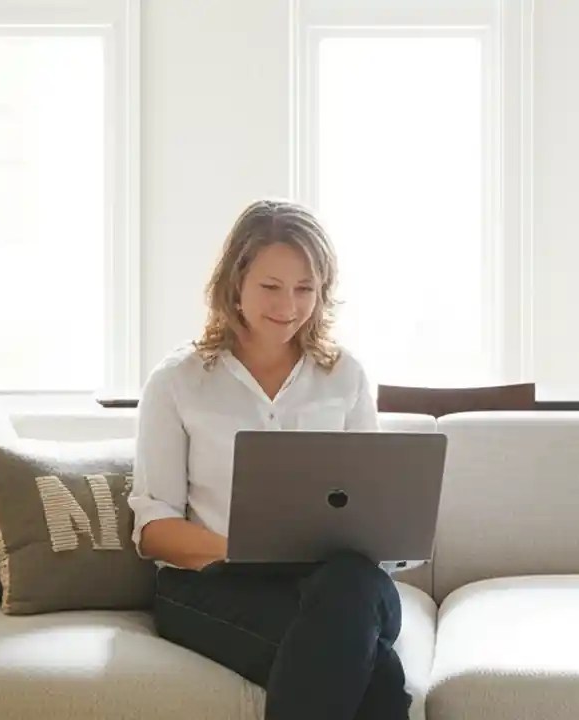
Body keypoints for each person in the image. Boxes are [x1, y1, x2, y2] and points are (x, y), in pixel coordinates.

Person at [128, 199, 410, 720]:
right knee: (377, 671)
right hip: (210, 586)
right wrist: (247, 550)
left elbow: (371, 516)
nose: (289, 305)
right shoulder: (177, 382)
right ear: (234, 283)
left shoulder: (344, 376)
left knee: (351, 586)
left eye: (305, 288)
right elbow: (154, 531)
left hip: (335, 587)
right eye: (271, 287)